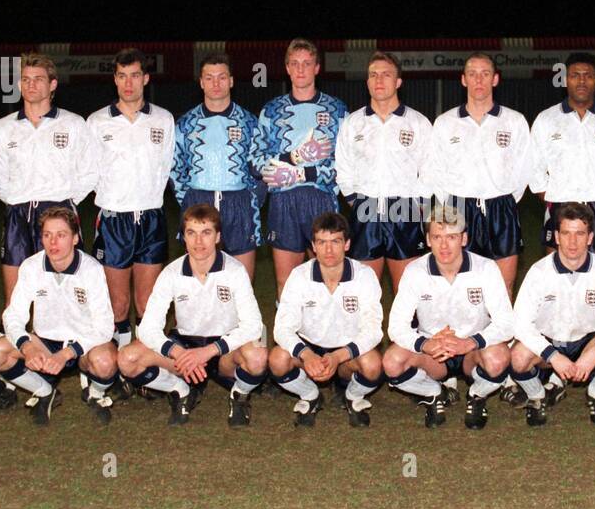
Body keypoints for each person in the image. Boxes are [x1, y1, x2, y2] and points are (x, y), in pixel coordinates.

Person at [0, 53, 97, 410]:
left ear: (52, 85)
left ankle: (85, 370)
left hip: (58, 216)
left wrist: (61, 209)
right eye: (25, 79)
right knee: (15, 302)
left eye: (38, 78)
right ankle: (10, 381)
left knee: (72, 296)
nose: (31, 84)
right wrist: (22, 204)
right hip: (18, 217)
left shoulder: (74, 124)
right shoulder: (4, 128)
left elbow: (89, 172)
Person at [117, 204, 269, 427]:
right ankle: (180, 390)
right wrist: (179, 353)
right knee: (127, 359)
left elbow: (253, 325)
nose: (199, 242)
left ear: (218, 236)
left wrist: (207, 352)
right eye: (192, 233)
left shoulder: (234, 271)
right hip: (185, 346)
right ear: (184, 237)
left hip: (224, 350)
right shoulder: (171, 273)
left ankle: (239, 396)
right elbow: (148, 328)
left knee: (257, 357)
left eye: (206, 233)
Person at [0, 206, 119, 426]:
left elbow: (104, 326)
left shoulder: (91, 269)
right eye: (47, 235)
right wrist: (27, 347)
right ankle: (45, 392)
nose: (53, 242)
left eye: (61, 235)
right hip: (44, 342)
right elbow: (12, 316)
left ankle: (95, 394)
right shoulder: (31, 266)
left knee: (105, 361)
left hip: (82, 345)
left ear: (75, 238)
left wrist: (67, 354)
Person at [383, 204, 515, 429]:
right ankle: (434, 393)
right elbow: (395, 327)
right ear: (427, 239)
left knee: (499, 359)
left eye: (451, 237)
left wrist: (469, 343)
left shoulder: (486, 268)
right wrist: (425, 344)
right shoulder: (415, 271)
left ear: (464, 238)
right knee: (392, 362)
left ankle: (477, 395)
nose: (444, 245)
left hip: (472, 351)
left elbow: (507, 323)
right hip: (435, 354)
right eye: (437, 236)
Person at [85, 48, 175, 361]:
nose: (128, 83)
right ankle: (121, 362)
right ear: (115, 80)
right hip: (114, 221)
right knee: (117, 305)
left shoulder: (163, 119)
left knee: (147, 303)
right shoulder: (97, 122)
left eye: (135, 75)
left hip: (150, 218)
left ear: (145, 79)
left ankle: (144, 368)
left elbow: (165, 168)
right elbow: (90, 171)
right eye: (122, 76)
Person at [509, 202, 595, 427]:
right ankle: (537, 397)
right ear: (556, 236)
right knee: (517, 357)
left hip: (587, 341)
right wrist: (552, 356)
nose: (572, 241)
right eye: (566, 233)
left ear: (590, 237)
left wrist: (592, 354)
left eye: (579, 234)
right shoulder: (539, 272)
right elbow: (520, 323)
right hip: (549, 341)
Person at [427, 51, 533, 294]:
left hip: (501, 210)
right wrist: (453, 205)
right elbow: (435, 169)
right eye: (472, 74)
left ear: (495, 79)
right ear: (463, 79)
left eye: (485, 74)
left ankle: (501, 333)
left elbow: (523, 169)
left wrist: (502, 198)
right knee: (460, 285)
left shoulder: (514, 121)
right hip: (459, 210)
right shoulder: (445, 122)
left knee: (503, 286)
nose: (478, 80)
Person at [249, 38, 348, 301]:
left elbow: (347, 164)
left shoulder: (337, 109)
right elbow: (255, 161)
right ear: (287, 68)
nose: (301, 70)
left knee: (329, 279)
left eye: (307, 64)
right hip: (284, 201)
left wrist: (306, 173)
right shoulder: (271, 110)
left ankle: (329, 339)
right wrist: (291, 159)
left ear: (317, 67)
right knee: (287, 283)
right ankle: (288, 341)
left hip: (321, 199)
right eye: (295, 64)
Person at [269, 213, 386, 427]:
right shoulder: (299, 275)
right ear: (313, 245)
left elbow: (374, 330)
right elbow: (282, 328)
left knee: (373, 364)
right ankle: (310, 395)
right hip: (309, 347)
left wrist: (338, 356)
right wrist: (307, 355)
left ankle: (352, 396)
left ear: (347, 244)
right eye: (322, 243)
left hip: (346, 351)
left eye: (335, 242)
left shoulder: (364, 275)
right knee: (277, 360)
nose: (329, 250)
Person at [334, 50, 433, 290]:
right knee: (362, 293)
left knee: (408, 292)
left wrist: (417, 205)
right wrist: (355, 200)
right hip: (365, 208)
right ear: (367, 81)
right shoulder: (353, 123)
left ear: (398, 82)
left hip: (404, 211)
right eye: (373, 75)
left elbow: (431, 170)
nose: (379, 80)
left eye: (386, 75)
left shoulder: (417, 122)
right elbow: (343, 167)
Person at [528, 52, 595, 265]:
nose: (582, 80)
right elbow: (534, 167)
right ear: (565, 80)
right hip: (560, 205)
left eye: (588, 75)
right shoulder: (547, 119)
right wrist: (552, 199)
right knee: (557, 276)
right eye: (575, 75)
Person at [171, 53, 263, 280]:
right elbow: (174, 169)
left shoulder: (249, 122)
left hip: (239, 203)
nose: (216, 84)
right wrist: (189, 200)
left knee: (242, 283)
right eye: (209, 78)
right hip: (198, 201)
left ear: (231, 81)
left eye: (222, 77)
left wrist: (251, 201)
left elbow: (262, 168)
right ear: (201, 82)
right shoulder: (185, 123)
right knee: (198, 284)